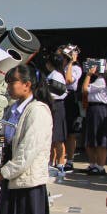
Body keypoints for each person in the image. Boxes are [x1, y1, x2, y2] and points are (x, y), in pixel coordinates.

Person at [0, 64, 53, 214]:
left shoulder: (38, 110)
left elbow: (29, 149)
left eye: (12, 82)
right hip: (12, 169)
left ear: (27, 85)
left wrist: (7, 170)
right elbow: (4, 136)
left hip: (29, 175)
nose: (8, 87)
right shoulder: (13, 108)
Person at [82, 62, 107, 176]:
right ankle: (93, 164)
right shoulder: (100, 80)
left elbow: (84, 89)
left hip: (99, 109)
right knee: (91, 138)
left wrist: (88, 75)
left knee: (99, 140)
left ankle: (99, 166)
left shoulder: (101, 80)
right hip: (94, 109)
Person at [45, 53, 68, 182]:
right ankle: (51, 162)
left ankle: (60, 163)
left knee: (58, 138)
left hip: (57, 105)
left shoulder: (57, 75)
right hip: (52, 105)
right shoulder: (53, 74)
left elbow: (62, 92)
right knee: (52, 137)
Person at [61, 45, 83, 171]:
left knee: (71, 133)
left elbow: (69, 80)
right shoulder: (60, 68)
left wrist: (71, 62)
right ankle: (58, 159)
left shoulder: (75, 68)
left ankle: (69, 160)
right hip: (60, 97)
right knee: (60, 132)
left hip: (70, 98)